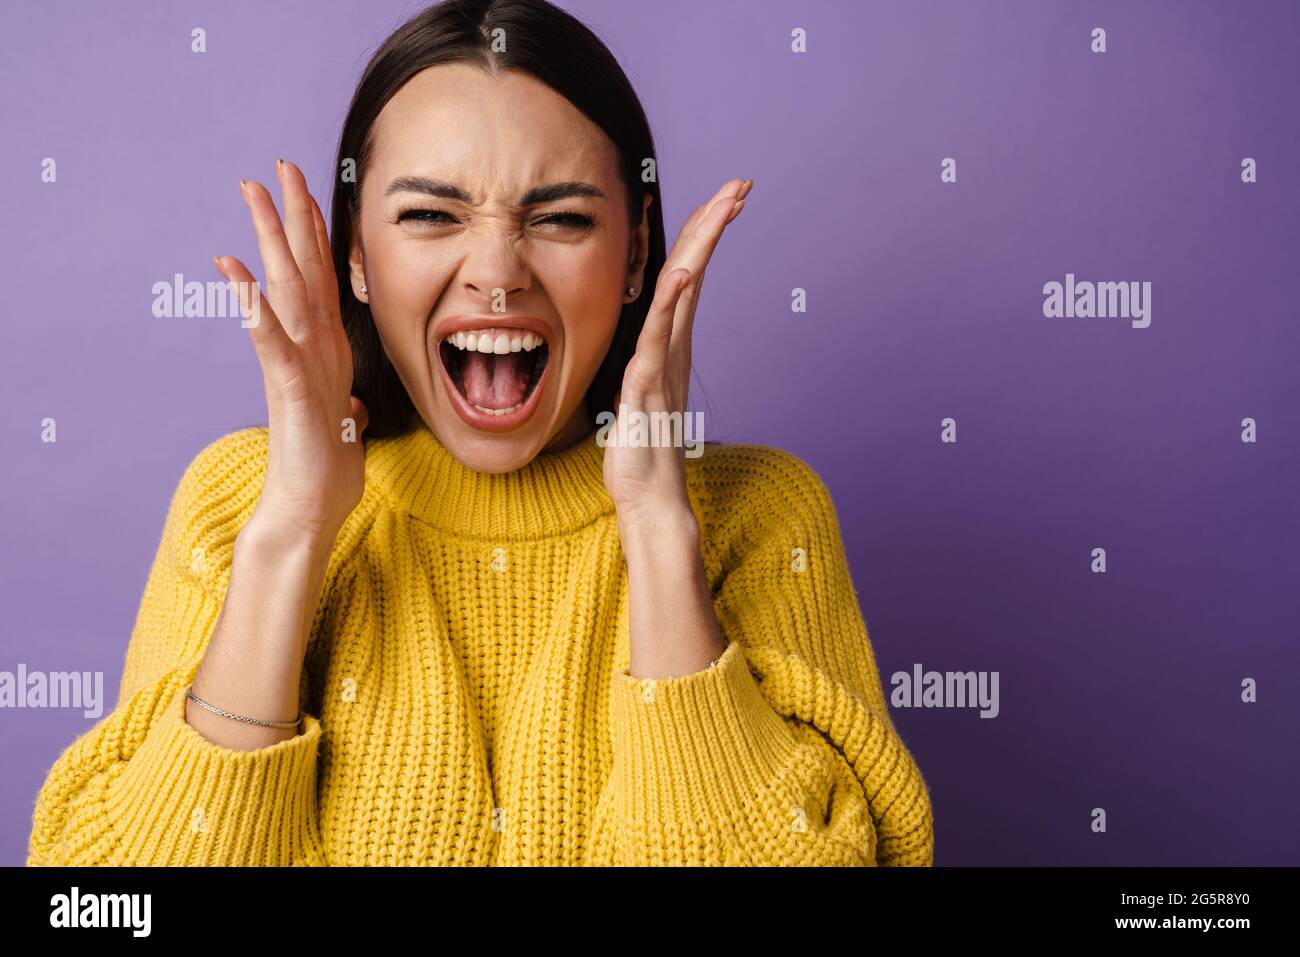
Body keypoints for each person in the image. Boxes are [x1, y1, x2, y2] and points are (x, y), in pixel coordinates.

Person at [27, 0, 933, 866]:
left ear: (635, 253)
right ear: (356, 255)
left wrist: (658, 531)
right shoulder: (238, 503)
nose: (497, 276)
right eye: (429, 214)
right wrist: (296, 528)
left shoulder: (762, 517)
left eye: (562, 218)